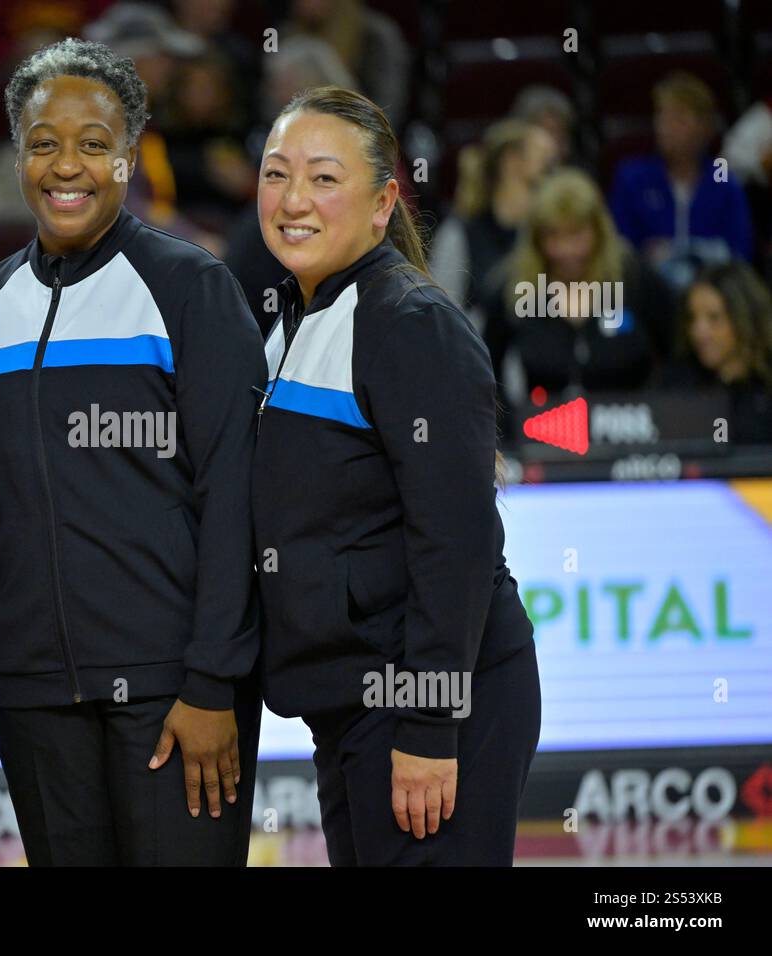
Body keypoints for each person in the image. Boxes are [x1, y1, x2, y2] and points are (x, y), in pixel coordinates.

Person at [0, 38, 263, 865]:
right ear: (18, 155)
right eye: (44, 143)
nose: (69, 166)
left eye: (94, 144)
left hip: (173, 688)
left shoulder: (190, 288)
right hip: (31, 690)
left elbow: (236, 494)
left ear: (129, 155)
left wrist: (213, 683)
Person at [251, 86, 541, 865]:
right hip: (352, 709)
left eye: (322, 177)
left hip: (427, 710)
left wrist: (427, 727)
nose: (293, 198)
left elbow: (456, 543)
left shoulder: (408, 321)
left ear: (383, 204)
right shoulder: (289, 321)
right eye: (277, 174)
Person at [483, 168, 675, 422]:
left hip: (632, 433)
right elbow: (486, 369)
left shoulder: (634, 277)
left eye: (576, 234)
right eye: (553, 236)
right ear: (537, 239)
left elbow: (677, 350)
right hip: (543, 435)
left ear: (598, 232)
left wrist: (658, 412)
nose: (566, 250)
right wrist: (509, 428)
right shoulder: (515, 287)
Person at [609, 71, 755, 288]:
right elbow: (618, 248)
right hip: (648, 294)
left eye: (678, 119)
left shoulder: (722, 178)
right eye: (661, 116)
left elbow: (740, 252)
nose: (665, 127)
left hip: (712, 293)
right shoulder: (632, 176)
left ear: (704, 127)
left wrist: (692, 252)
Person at [429, 118, 557, 317]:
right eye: (545, 161)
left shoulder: (549, 231)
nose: (554, 173)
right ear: (511, 160)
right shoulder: (460, 233)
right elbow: (441, 316)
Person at [663, 262, 772, 445]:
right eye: (692, 318)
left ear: (744, 317)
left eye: (714, 318)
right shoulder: (677, 384)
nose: (698, 331)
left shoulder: (766, 385)